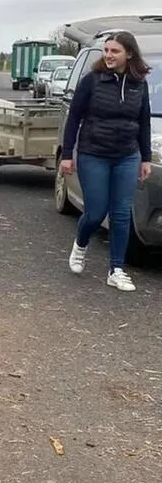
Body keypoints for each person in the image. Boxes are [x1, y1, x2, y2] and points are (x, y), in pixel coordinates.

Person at [59, 31, 153, 292]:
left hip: (126, 155)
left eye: (115, 51)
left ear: (129, 54)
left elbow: (143, 122)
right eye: (107, 50)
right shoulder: (92, 81)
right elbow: (74, 117)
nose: (109, 55)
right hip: (94, 153)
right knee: (96, 212)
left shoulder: (139, 84)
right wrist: (67, 155)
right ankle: (80, 244)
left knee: (122, 214)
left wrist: (145, 158)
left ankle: (116, 270)